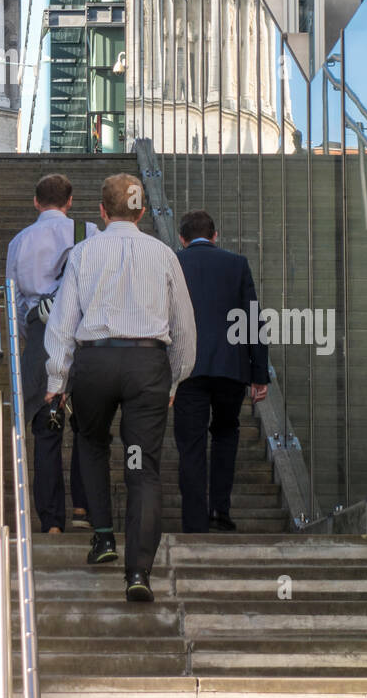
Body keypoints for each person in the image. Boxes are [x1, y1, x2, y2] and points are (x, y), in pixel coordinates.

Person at [45, 174, 196, 602]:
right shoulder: (164, 254)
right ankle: (139, 573)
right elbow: (185, 325)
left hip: (95, 361)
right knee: (142, 466)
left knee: (91, 444)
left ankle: (104, 538)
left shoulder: (83, 253)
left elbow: (62, 323)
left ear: (102, 212)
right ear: (143, 211)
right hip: (146, 364)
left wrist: (57, 379)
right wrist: (177, 376)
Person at [6, 174, 99, 534]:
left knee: (46, 432)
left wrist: (28, 339)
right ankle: (82, 507)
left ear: (35, 201)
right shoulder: (88, 232)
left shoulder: (19, 241)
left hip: (41, 338)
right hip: (83, 336)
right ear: (70, 200)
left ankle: (51, 521)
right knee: (86, 428)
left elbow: (13, 300)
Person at [174, 209, 268, 534]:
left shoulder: (173, 263)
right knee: (226, 434)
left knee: (191, 444)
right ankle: (220, 511)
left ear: (182, 238)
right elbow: (253, 319)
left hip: (187, 369)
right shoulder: (236, 264)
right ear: (215, 235)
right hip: (231, 368)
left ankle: (194, 521)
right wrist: (259, 374)